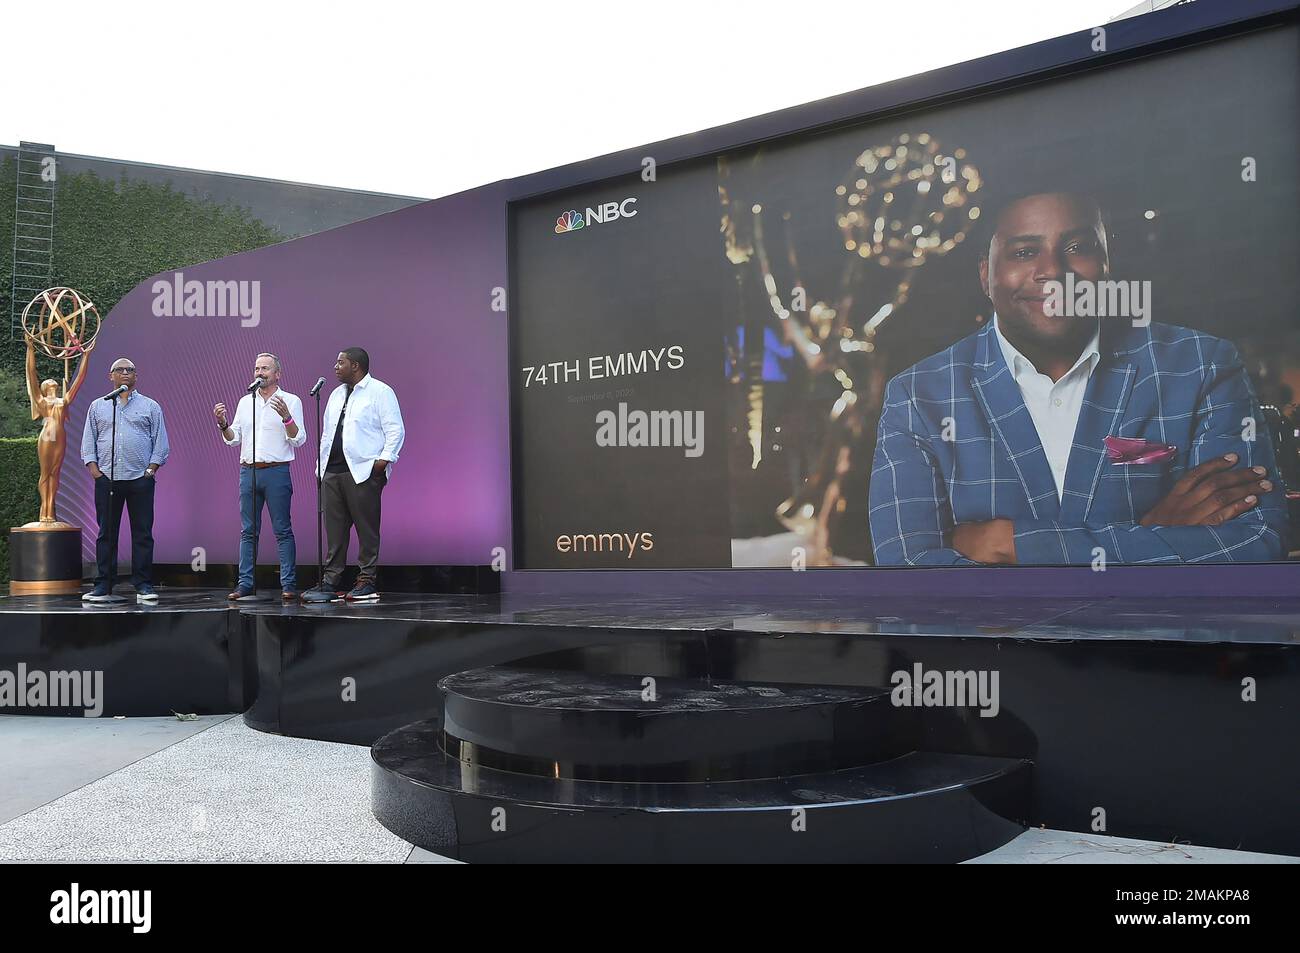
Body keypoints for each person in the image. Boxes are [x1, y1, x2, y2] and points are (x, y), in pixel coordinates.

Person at [869, 189, 1288, 565]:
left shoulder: (1200, 364)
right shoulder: (918, 395)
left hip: (1155, 648)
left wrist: (1008, 545)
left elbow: (1255, 541)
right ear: (985, 275)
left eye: (1076, 246)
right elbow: (909, 567)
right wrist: (1149, 535)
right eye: (1023, 252)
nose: (1052, 271)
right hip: (997, 653)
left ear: (1107, 266)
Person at [302, 348, 404, 602]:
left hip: (363, 471)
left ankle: (366, 580)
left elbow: (395, 429)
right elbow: (327, 434)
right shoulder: (336, 394)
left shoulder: (380, 391)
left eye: (341, 362)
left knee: (366, 528)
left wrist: (382, 462)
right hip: (332, 471)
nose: (335, 367)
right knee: (334, 530)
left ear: (356, 366)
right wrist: (319, 468)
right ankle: (331, 580)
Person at [214, 352, 306, 601]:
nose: (259, 373)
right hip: (248, 472)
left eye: (265, 368)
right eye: (256, 368)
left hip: (277, 471)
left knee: (282, 531)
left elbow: (299, 439)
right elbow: (234, 440)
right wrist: (223, 424)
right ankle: (245, 584)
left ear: (277, 374)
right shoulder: (246, 402)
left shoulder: (291, 400)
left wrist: (287, 417)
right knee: (248, 532)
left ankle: (288, 584)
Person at [80, 357, 170, 602]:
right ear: (111, 376)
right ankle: (103, 585)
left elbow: (160, 442)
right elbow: (89, 441)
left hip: (140, 479)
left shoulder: (151, 406)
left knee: (142, 533)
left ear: (136, 376)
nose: (125, 373)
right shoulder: (99, 406)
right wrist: (95, 470)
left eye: (130, 370)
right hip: (107, 478)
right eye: (119, 370)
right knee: (106, 533)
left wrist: (151, 470)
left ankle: (143, 585)